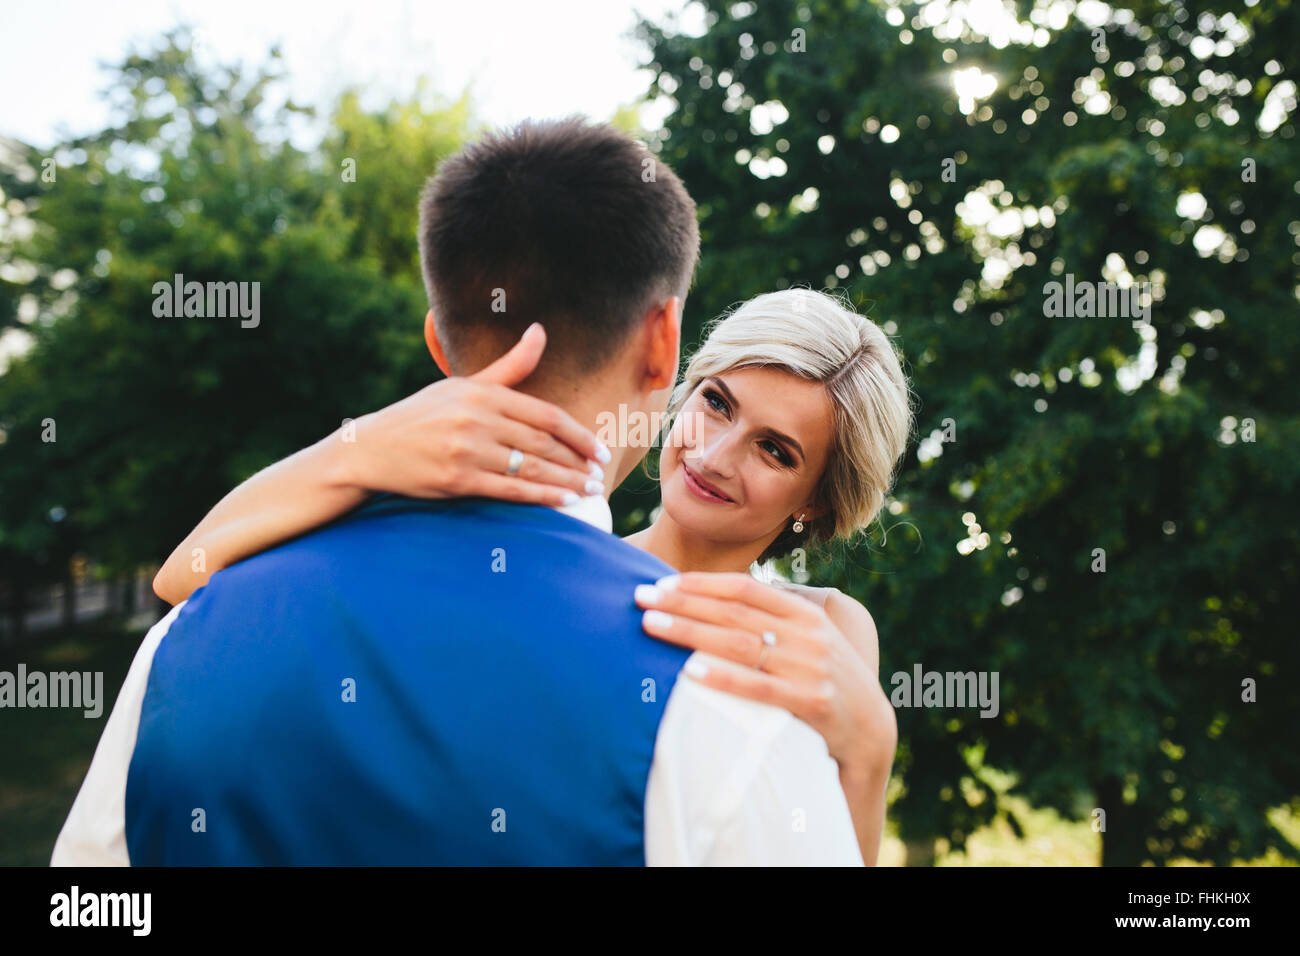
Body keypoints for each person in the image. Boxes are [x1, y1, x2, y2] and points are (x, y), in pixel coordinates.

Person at [52, 117, 903, 866]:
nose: (715, 455)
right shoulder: (708, 710)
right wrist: (356, 447)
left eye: (777, 451)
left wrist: (869, 755)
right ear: (667, 349)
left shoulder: (185, 643)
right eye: (715, 403)